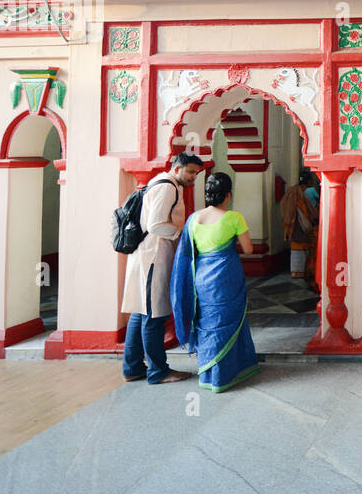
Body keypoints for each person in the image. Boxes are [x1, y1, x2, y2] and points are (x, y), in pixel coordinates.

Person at [170, 172, 260, 393]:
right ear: (227, 195)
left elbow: (188, 253)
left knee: (208, 323)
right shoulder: (234, 218)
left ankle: (208, 373)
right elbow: (249, 249)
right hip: (226, 278)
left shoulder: (193, 219)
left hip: (202, 279)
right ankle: (227, 373)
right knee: (228, 321)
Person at [120, 153, 202, 385]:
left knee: (141, 312)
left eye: (196, 173)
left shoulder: (159, 182)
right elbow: (156, 225)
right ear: (177, 168)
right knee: (154, 315)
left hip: (146, 255)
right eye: (191, 172)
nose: (193, 177)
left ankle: (133, 367)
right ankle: (158, 371)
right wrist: (181, 235)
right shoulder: (168, 187)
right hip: (154, 257)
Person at [281, 171, 318, 288]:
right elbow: (310, 209)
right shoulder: (300, 193)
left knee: (297, 247)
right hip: (299, 224)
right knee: (302, 247)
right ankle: (301, 271)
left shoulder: (292, 191)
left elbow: (285, 208)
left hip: (294, 224)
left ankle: (296, 271)